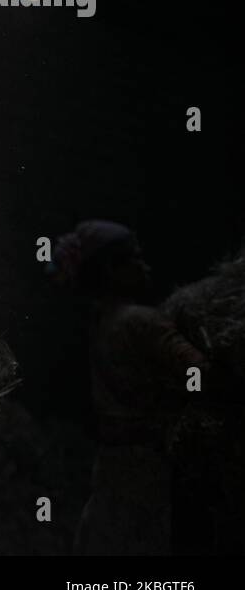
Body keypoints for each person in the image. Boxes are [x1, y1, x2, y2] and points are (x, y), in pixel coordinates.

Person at [52, 220, 206, 554]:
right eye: (134, 259)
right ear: (111, 269)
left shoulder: (101, 323)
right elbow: (201, 375)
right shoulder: (140, 322)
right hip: (149, 469)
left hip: (112, 466)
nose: (144, 266)